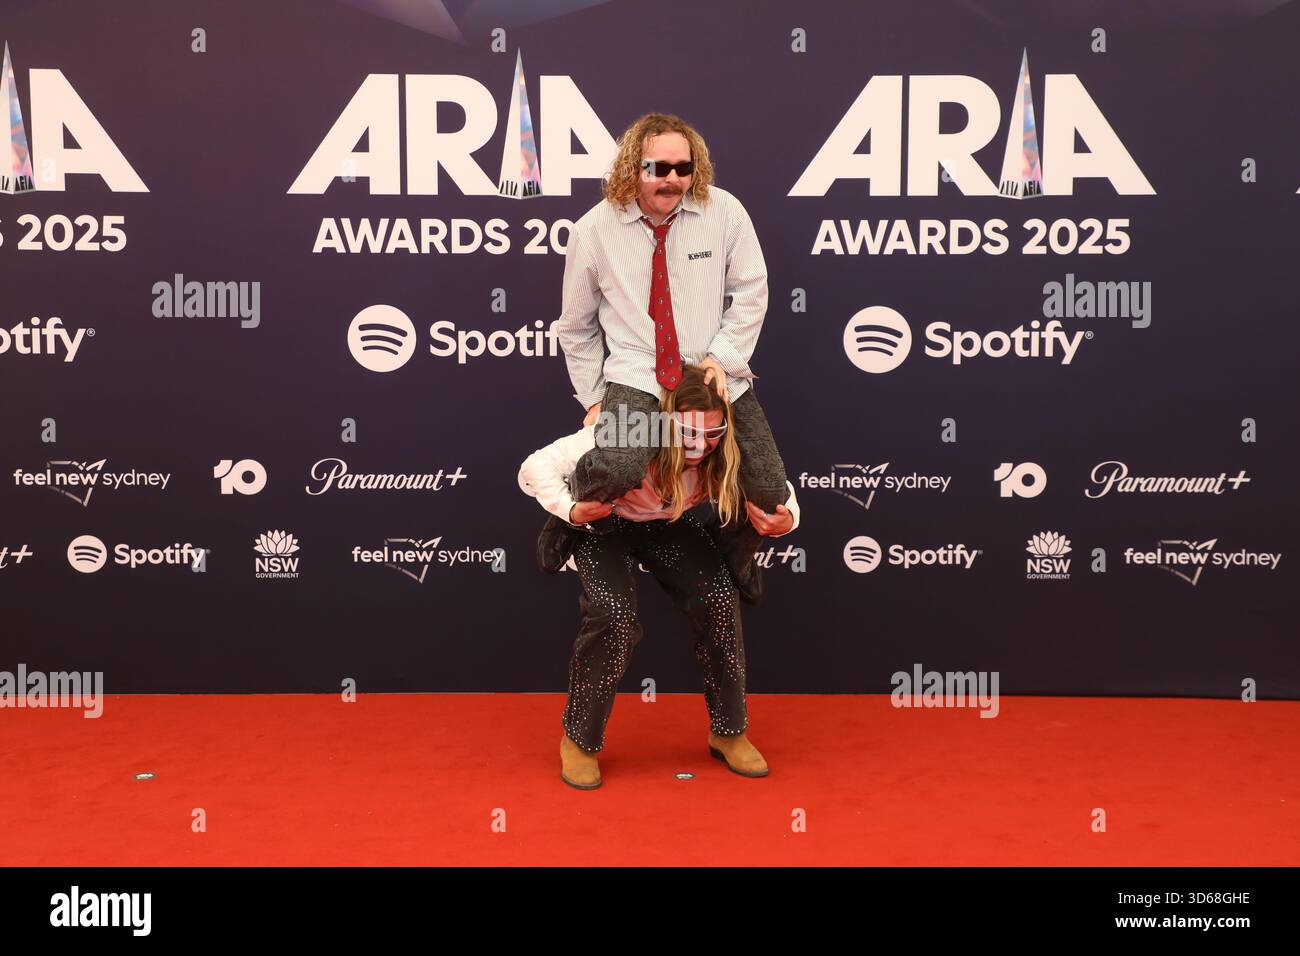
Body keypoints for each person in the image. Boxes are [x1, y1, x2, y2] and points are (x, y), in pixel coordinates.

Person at [519, 364, 800, 790]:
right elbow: (533, 468)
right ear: (665, 423)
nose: (700, 446)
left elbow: (780, 489)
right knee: (613, 617)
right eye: (687, 434)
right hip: (606, 525)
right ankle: (579, 741)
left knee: (720, 600)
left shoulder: (726, 448)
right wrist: (571, 510)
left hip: (668, 525)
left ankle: (729, 732)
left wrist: (788, 520)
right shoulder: (626, 432)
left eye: (711, 433)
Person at [544, 111, 790, 597]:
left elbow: (751, 290)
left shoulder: (725, 212)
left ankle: (732, 553)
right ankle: (568, 516)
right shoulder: (594, 230)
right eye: (659, 168)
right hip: (639, 376)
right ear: (632, 168)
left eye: (684, 168)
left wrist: (722, 356)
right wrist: (594, 399)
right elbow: (575, 328)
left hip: (714, 375)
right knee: (617, 468)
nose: (673, 179)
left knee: (769, 493)